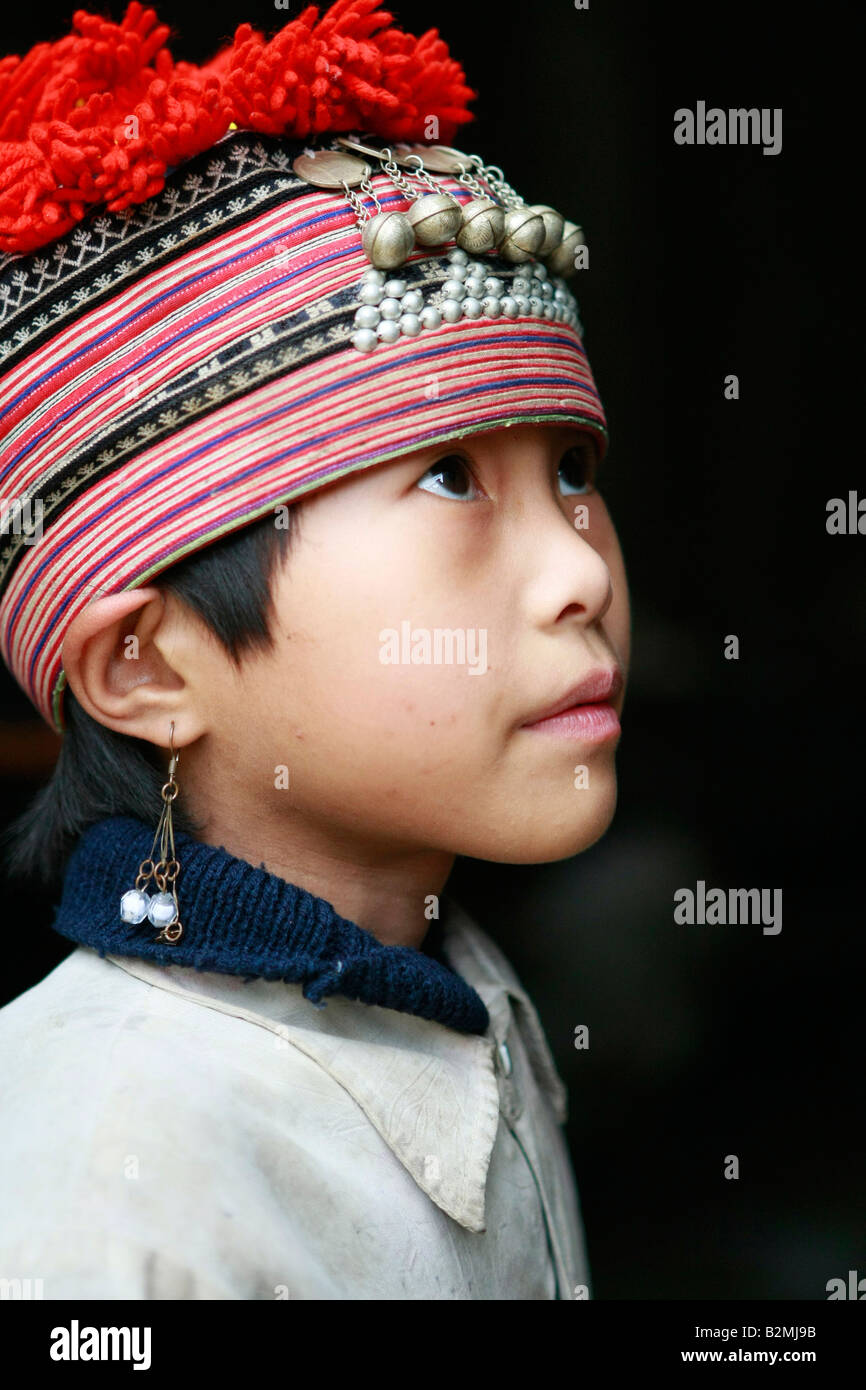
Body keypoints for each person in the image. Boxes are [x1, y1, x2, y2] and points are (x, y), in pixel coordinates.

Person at [0, 0, 630, 1298]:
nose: (579, 569)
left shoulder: (456, 1000)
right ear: (148, 669)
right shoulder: (96, 1175)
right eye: (452, 478)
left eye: (571, 468)